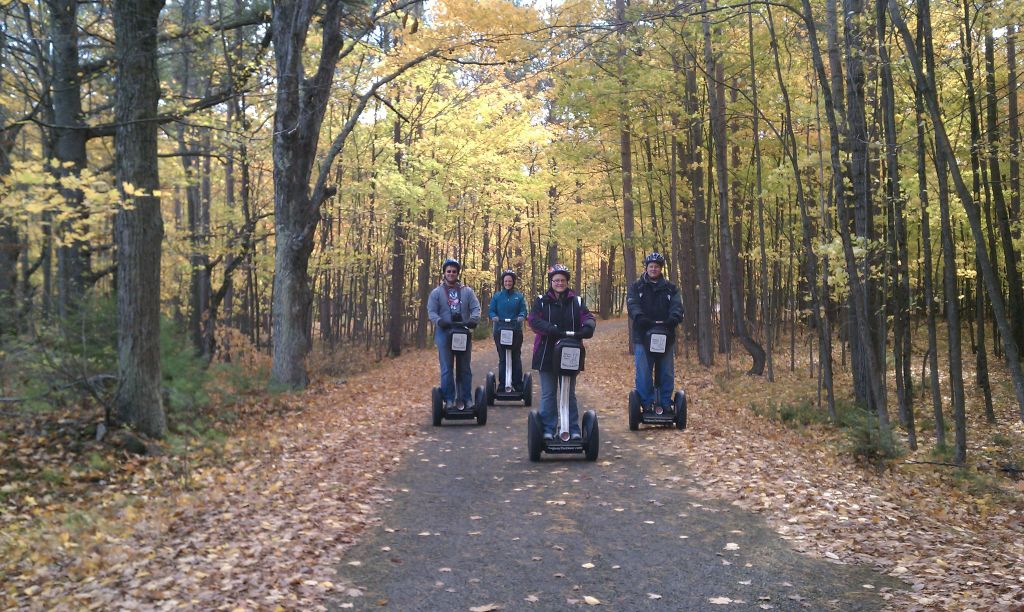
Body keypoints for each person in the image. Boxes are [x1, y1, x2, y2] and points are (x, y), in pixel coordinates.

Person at [527, 264, 596, 440]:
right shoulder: (542, 301)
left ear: (567, 282)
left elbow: (587, 317)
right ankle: (548, 430)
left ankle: (572, 429)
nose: (559, 283)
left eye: (562, 280)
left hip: (570, 352)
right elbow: (533, 320)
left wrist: (588, 326)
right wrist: (551, 329)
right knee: (549, 393)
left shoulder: (577, 301)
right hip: (546, 353)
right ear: (551, 282)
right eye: (556, 280)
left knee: (568, 392)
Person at [627, 252, 684, 413]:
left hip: (666, 335)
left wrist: (673, 318)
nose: (653, 269)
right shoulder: (637, 287)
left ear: (660, 269)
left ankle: (665, 402)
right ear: (646, 268)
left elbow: (677, 306)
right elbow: (632, 305)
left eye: (656, 267)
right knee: (644, 372)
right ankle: (647, 403)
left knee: (666, 371)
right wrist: (640, 317)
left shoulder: (670, 288)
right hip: (642, 336)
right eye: (651, 266)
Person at [428, 258, 481, 410]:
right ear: (444, 273)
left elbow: (476, 308)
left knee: (464, 368)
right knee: (447, 368)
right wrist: (439, 321)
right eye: (448, 271)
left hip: (462, 332)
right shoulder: (437, 293)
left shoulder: (467, 291)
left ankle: (466, 399)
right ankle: (449, 399)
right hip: (444, 333)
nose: (451, 273)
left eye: (454, 271)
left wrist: (473, 320)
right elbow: (431, 311)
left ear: (458, 273)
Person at [488, 269, 528, 392]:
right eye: (506, 281)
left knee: (515, 357)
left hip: (515, 330)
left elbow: (523, 310)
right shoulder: (497, 296)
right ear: (503, 282)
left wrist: (521, 316)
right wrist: (494, 316)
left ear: (513, 282)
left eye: (510, 281)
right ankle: (502, 384)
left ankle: (517, 384)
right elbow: (491, 311)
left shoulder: (519, 296)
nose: (508, 283)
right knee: (503, 358)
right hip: (500, 330)